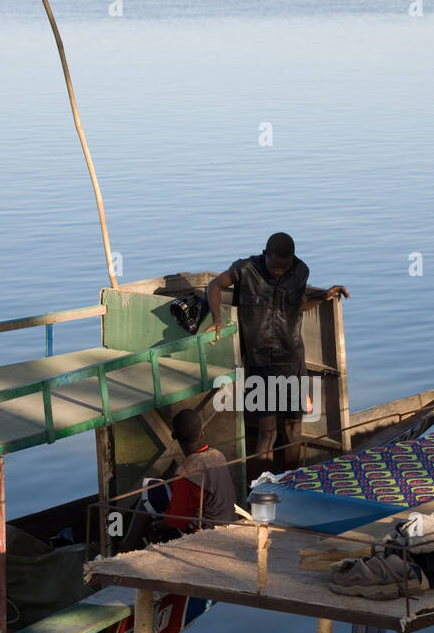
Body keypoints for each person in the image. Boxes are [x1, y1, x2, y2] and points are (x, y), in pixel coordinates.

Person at [206, 232, 348, 471]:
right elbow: (214, 286)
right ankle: (265, 486)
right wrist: (217, 318)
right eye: (276, 266)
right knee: (267, 433)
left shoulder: (301, 271)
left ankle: (293, 479)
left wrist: (323, 296)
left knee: (293, 427)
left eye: (286, 266)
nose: (280, 271)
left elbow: (296, 306)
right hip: (260, 363)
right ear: (266, 254)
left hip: (291, 359)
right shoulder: (245, 269)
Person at [120, 409, 236, 551]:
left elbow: (176, 522)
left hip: (207, 533)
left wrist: (156, 525)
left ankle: (128, 544)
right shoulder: (218, 455)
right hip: (228, 522)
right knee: (159, 489)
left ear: (175, 437)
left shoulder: (187, 473)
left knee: (151, 490)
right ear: (202, 433)